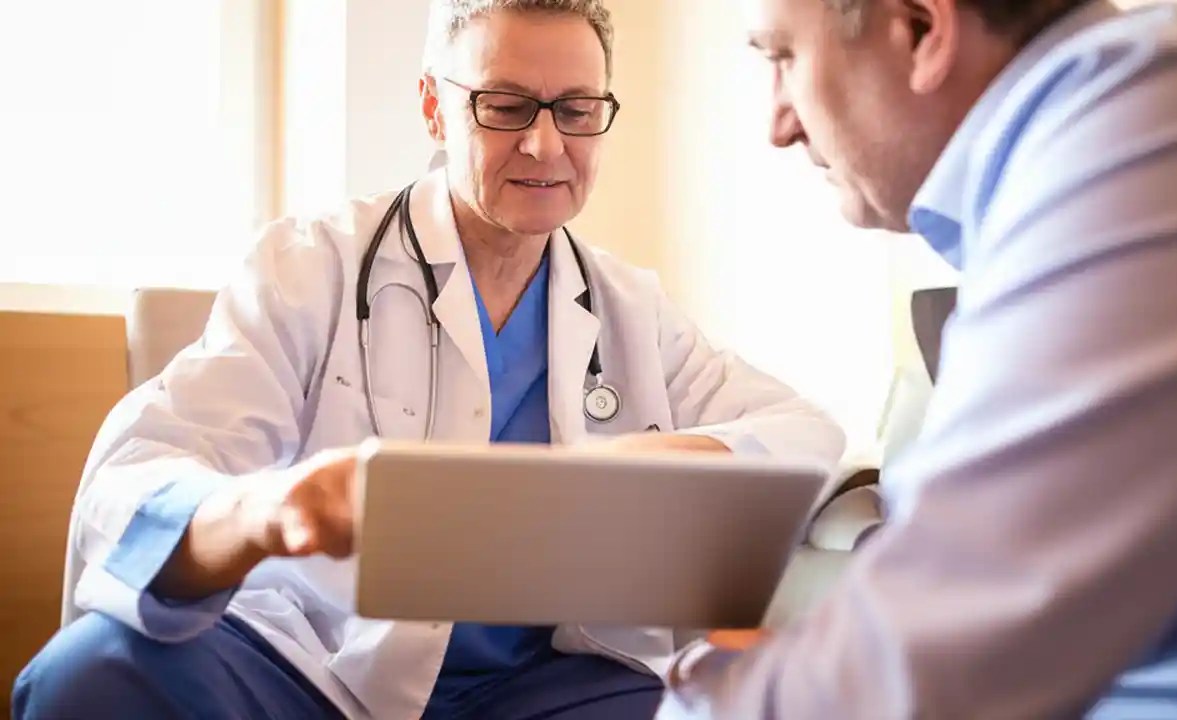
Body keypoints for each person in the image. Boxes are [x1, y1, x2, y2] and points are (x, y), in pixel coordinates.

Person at [11, 1, 846, 718]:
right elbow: (140, 471)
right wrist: (268, 510)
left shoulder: (629, 308)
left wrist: (672, 455)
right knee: (86, 678)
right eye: (506, 105)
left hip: (544, 682)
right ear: (433, 108)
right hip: (312, 666)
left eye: (578, 108)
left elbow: (807, 433)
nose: (546, 146)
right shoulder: (312, 265)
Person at [656, 0, 1177, 717]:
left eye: (785, 58)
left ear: (921, 29)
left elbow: (928, 655)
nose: (780, 123)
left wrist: (705, 700)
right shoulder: (1088, 147)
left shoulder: (1164, 108)